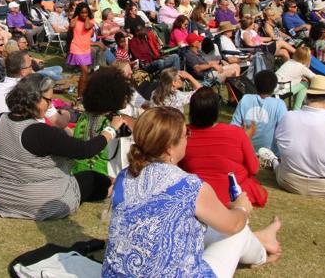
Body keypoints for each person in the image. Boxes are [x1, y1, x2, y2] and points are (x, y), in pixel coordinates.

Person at [102, 107, 282, 277]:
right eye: (185, 134)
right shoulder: (189, 186)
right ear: (169, 148)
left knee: (205, 226)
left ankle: (262, 239)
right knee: (239, 233)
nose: (188, 138)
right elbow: (233, 225)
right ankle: (262, 253)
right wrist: (241, 208)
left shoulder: (124, 177)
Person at [0, 74, 126, 220]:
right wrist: (111, 130)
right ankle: (110, 188)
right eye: (48, 100)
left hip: (4, 199)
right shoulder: (42, 132)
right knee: (93, 179)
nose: (51, 105)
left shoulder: (0, 121)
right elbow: (86, 150)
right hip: (42, 204)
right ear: (34, 98)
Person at [261, 75, 325, 198]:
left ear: (307, 96)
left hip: (290, 181)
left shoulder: (289, 118)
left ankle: (273, 161)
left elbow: (279, 145)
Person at [181, 87, 268, 208]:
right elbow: (254, 168)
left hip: (195, 195)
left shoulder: (182, 134)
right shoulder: (236, 132)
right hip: (230, 195)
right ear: (216, 111)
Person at [71, 67, 135, 179]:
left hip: (77, 173)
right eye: (124, 93)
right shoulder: (116, 121)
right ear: (112, 95)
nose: (126, 96)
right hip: (102, 178)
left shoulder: (84, 116)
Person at [231, 70, 288, 153]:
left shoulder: (245, 99)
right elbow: (284, 131)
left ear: (255, 85)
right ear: (274, 87)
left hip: (245, 150)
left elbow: (234, 126)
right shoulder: (279, 104)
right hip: (269, 153)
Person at [67, 2, 96, 96]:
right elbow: (71, 26)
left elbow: (87, 27)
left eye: (86, 12)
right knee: (85, 72)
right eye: (82, 13)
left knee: (84, 75)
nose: (84, 14)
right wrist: (76, 15)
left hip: (86, 49)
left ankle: (82, 93)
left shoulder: (91, 20)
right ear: (78, 12)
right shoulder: (75, 20)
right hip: (76, 48)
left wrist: (88, 16)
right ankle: (80, 97)